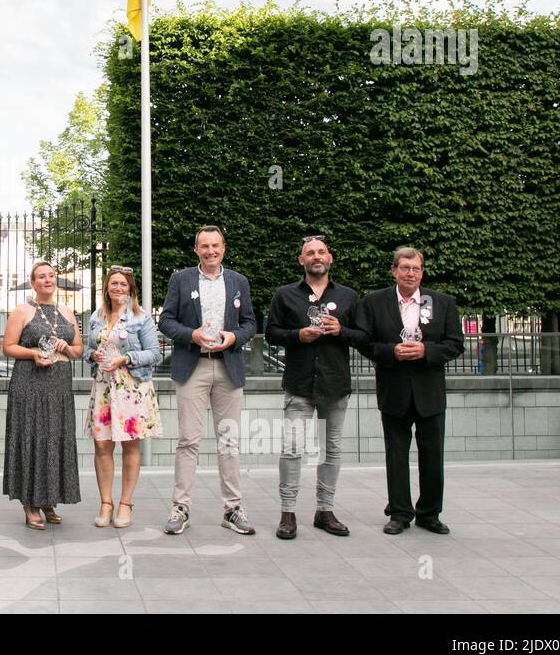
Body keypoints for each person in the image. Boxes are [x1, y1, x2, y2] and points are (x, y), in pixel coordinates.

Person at [354, 246, 464, 535]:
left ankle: (429, 513)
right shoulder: (374, 302)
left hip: (430, 393)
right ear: (394, 270)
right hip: (394, 390)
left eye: (415, 269)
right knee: (396, 454)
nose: (410, 273)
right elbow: (364, 343)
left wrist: (426, 351)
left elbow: (455, 344)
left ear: (422, 272)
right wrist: (393, 352)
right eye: (404, 268)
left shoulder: (442, 303)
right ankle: (400, 513)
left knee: (432, 455)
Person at [263, 235, 366, 540]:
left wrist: (341, 330)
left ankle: (325, 510)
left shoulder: (348, 296)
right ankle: (288, 512)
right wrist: (298, 335)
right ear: (301, 260)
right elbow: (271, 333)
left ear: (330, 258)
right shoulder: (285, 295)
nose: (316, 257)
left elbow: (363, 336)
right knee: (292, 449)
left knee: (330, 450)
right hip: (299, 384)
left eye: (321, 252)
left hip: (335, 385)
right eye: (310, 253)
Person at [158, 225, 258, 536]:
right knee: (188, 440)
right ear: (196, 249)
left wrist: (234, 337)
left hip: (228, 368)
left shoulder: (238, 281)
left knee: (229, 441)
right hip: (193, 367)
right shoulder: (181, 279)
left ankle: (233, 509)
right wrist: (191, 335)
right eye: (204, 246)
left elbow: (251, 323)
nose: (210, 251)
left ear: (224, 248)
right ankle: (180, 508)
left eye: (215, 245)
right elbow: (165, 321)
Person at [2, 261, 84, 528]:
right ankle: (30, 503)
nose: (47, 280)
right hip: (30, 381)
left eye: (51, 275)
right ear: (32, 282)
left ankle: (49, 498)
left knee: (54, 440)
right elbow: (8, 347)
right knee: (32, 438)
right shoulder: (23, 310)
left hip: (59, 383)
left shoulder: (66, 311)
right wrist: (33, 354)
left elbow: (79, 350)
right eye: (41, 277)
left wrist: (67, 348)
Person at [84, 265, 162, 529]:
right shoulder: (97, 316)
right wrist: (91, 355)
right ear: (106, 287)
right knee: (102, 446)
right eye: (114, 283)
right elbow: (87, 348)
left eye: (123, 284)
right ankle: (106, 503)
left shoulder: (141, 317)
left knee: (130, 446)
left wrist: (126, 358)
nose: (118, 288)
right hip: (104, 388)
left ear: (131, 289)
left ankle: (125, 504)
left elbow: (155, 353)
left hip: (132, 387)